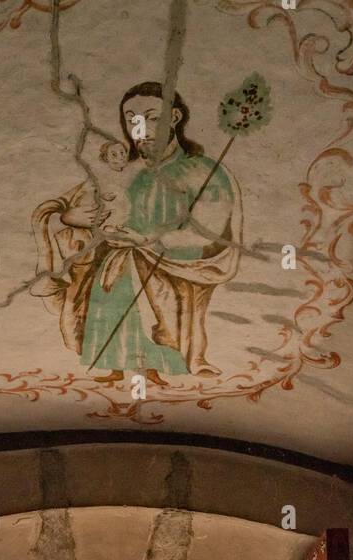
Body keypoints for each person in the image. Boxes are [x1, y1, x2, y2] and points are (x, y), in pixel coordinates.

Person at [31, 83, 241, 382]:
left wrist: (150, 240)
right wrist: (67, 215)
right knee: (111, 315)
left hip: (169, 271)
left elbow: (212, 234)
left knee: (151, 317)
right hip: (116, 263)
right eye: (131, 118)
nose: (139, 126)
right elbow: (69, 202)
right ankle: (115, 366)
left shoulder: (202, 171)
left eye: (151, 117)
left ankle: (157, 369)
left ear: (175, 117)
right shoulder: (125, 172)